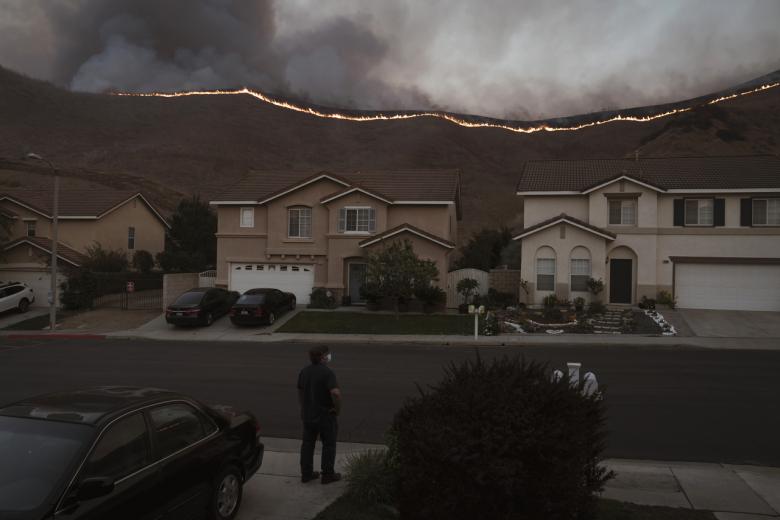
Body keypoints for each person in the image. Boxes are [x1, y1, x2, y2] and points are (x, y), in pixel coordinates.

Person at [298, 345, 342, 484]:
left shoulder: (304, 371)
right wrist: (337, 409)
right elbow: (335, 393)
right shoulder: (327, 373)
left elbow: (300, 391)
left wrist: (303, 408)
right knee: (329, 444)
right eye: (327, 354)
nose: (329, 357)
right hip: (325, 415)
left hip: (308, 415)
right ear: (323, 357)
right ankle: (327, 474)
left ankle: (306, 473)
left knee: (307, 444)